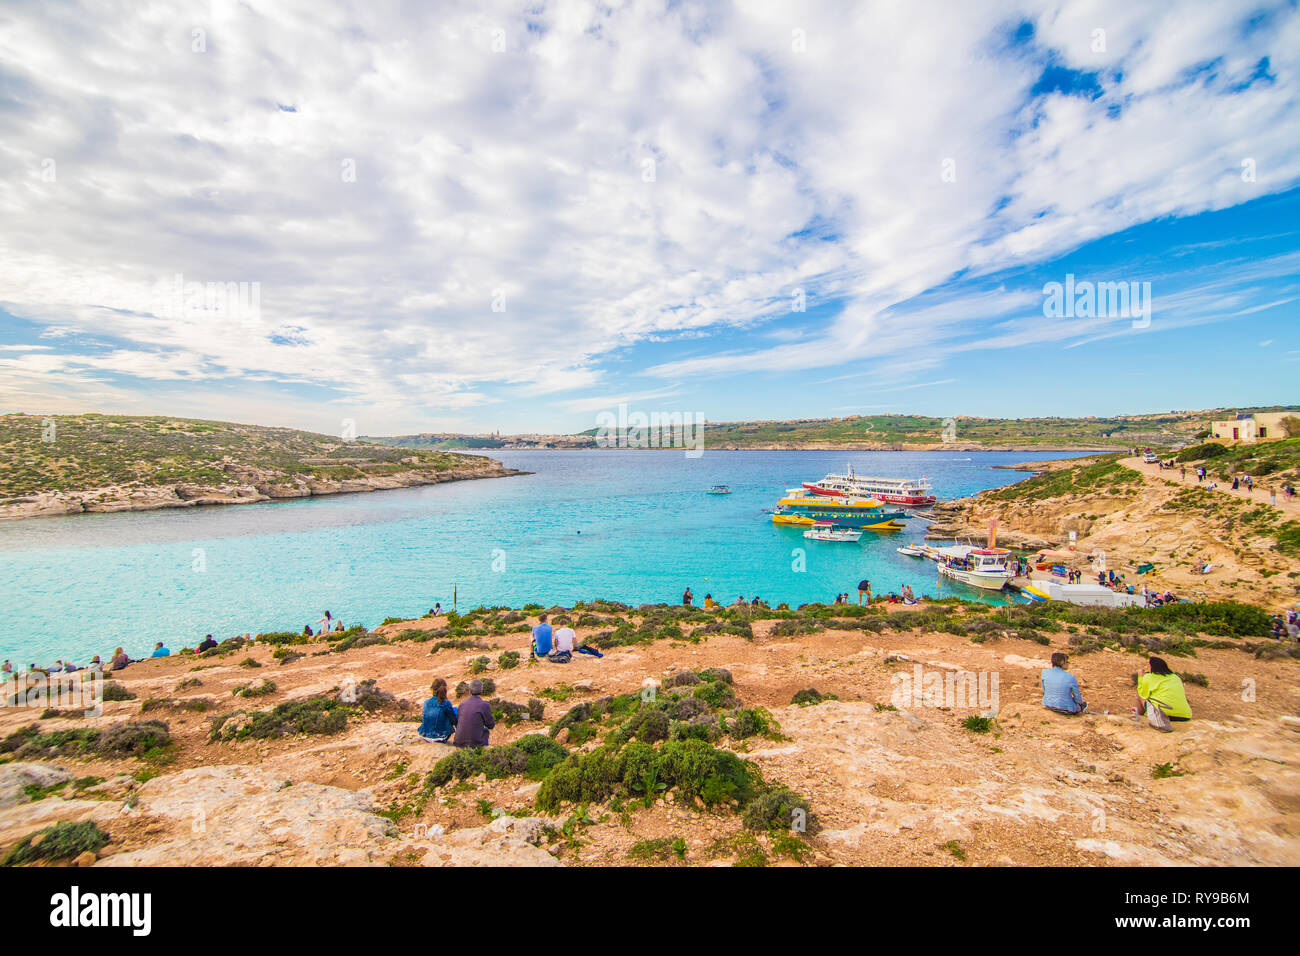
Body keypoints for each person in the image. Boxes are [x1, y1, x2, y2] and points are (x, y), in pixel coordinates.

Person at [1136, 656, 1192, 727]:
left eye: (1148, 666)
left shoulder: (1149, 677)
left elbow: (1143, 694)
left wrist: (1140, 677)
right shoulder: (1176, 677)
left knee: (1139, 696)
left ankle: (1137, 718)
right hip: (1184, 716)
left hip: (1162, 715)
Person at [453, 679, 495, 748]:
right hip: (475, 745)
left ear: (470, 691)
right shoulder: (484, 705)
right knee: (485, 730)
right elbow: (491, 725)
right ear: (481, 691)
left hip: (458, 743)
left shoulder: (462, 704)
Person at [418, 678, 457, 743]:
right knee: (455, 710)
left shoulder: (426, 702)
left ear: (432, 689)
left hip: (425, 735)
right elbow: (453, 720)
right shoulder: (446, 703)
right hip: (441, 736)